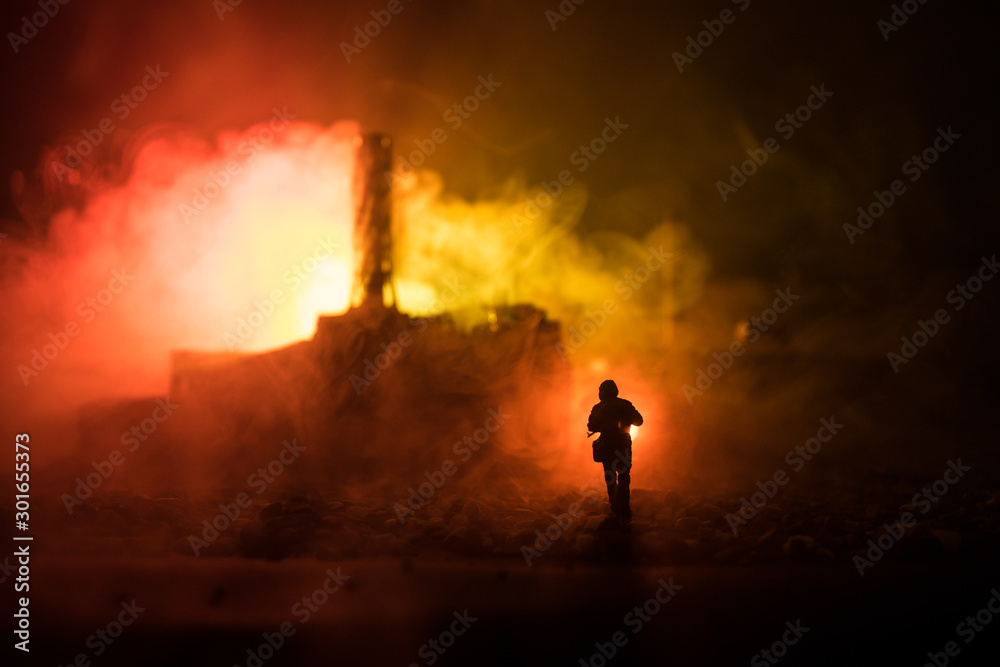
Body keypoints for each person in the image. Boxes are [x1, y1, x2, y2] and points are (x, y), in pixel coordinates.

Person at [587, 380, 643, 521]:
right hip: (623, 445)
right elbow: (639, 421)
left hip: (607, 445)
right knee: (624, 476)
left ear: (602, 393)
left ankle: (614, 507)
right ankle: (625, 508)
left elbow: (591, 426)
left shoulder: (598, 407)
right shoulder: (625, 404)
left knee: (610, 477)